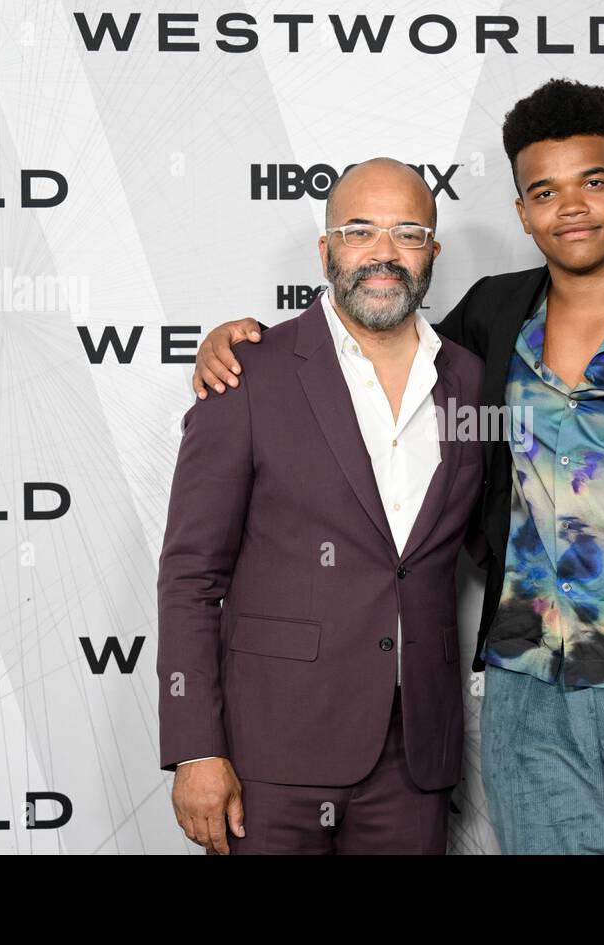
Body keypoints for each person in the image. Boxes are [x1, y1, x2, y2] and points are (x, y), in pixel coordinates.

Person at [191, 79, 604, 854]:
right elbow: (366, 342)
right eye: (544, 192)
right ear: (522, 212)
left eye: (593, 182)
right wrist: (240, 339)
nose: (571, 207)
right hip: (529, 701)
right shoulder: (491, 315)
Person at [157, 157, 485, 854]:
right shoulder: (249, 372)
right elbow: (191, 575)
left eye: (407, 233)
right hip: (270, 758)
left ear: (433, 251)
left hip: (415, 759)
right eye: (359, 230)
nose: (383, 254)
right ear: (326, 249)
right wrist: (195, 749)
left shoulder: (469, 380)